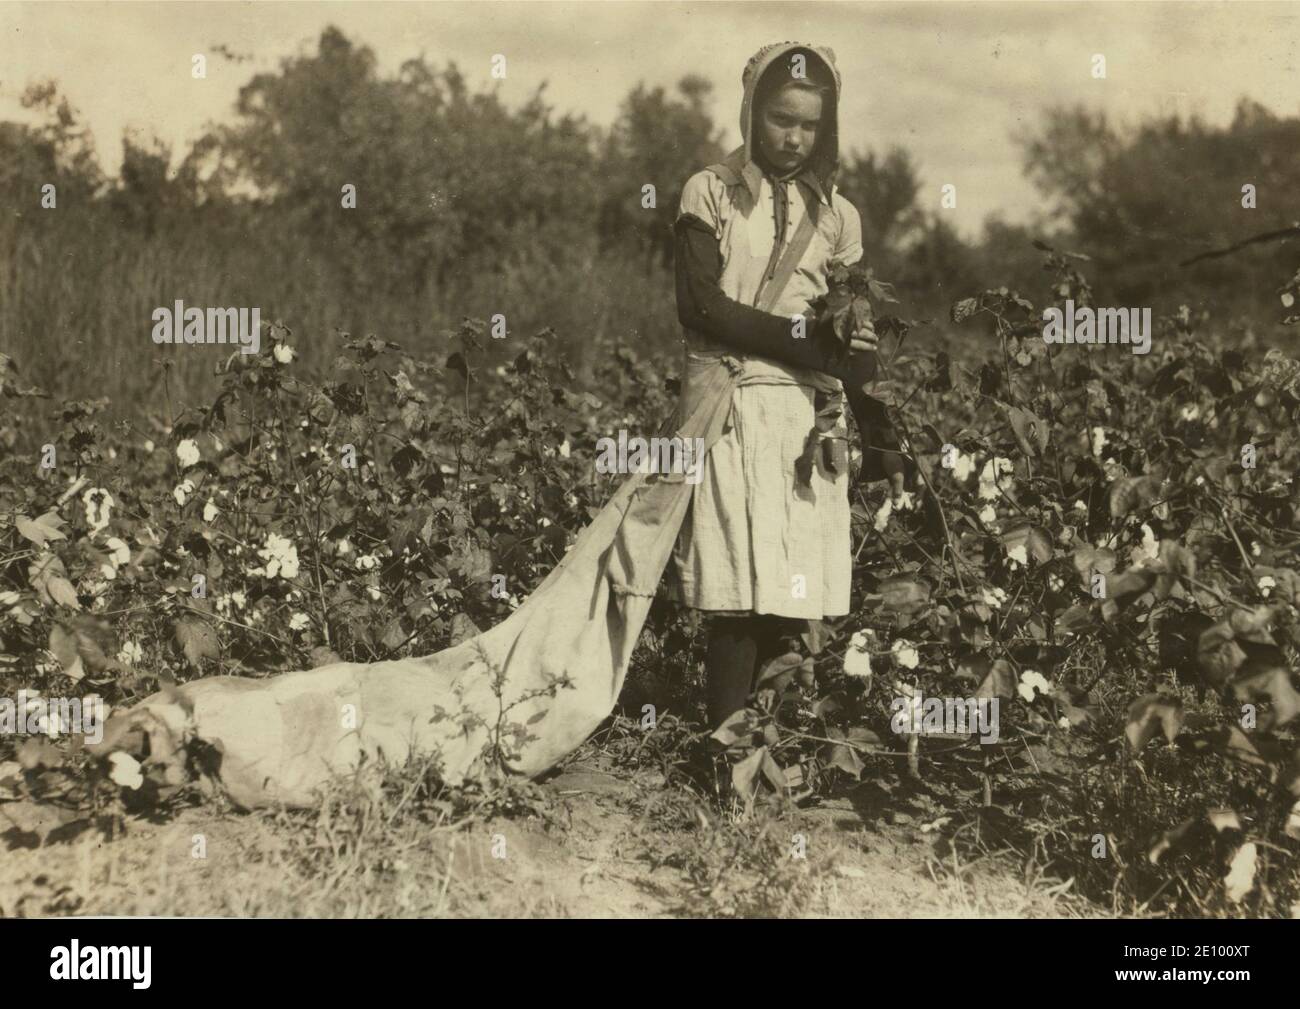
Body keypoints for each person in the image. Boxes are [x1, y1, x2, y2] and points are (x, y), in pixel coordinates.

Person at [668, 41, 907, 728]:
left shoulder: (839, 216)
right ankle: (724, 748)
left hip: (807, 419)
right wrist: (810, 340)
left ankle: (768, 746)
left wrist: (884, 441)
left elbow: (853, 339)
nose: (793, 137)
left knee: (789, 586)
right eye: (779, 118)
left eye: (809, 123)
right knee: (736, 586)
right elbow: (701, 306)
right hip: (733, 403)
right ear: (751, 113)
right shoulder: (709, 191)